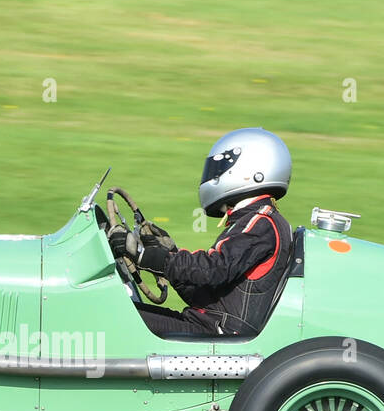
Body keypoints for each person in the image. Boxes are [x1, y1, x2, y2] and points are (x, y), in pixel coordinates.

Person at [109, 127, 294, 337]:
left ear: (251, 169)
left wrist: (146, 255)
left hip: (216, 332)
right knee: (119, 310)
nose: (213, 175)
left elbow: (213, 269)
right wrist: (163, 257)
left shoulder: (260, 223)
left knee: (110, 315)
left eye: (222, 166)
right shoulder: (255, 220)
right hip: (208, 324)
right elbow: (207, 293)